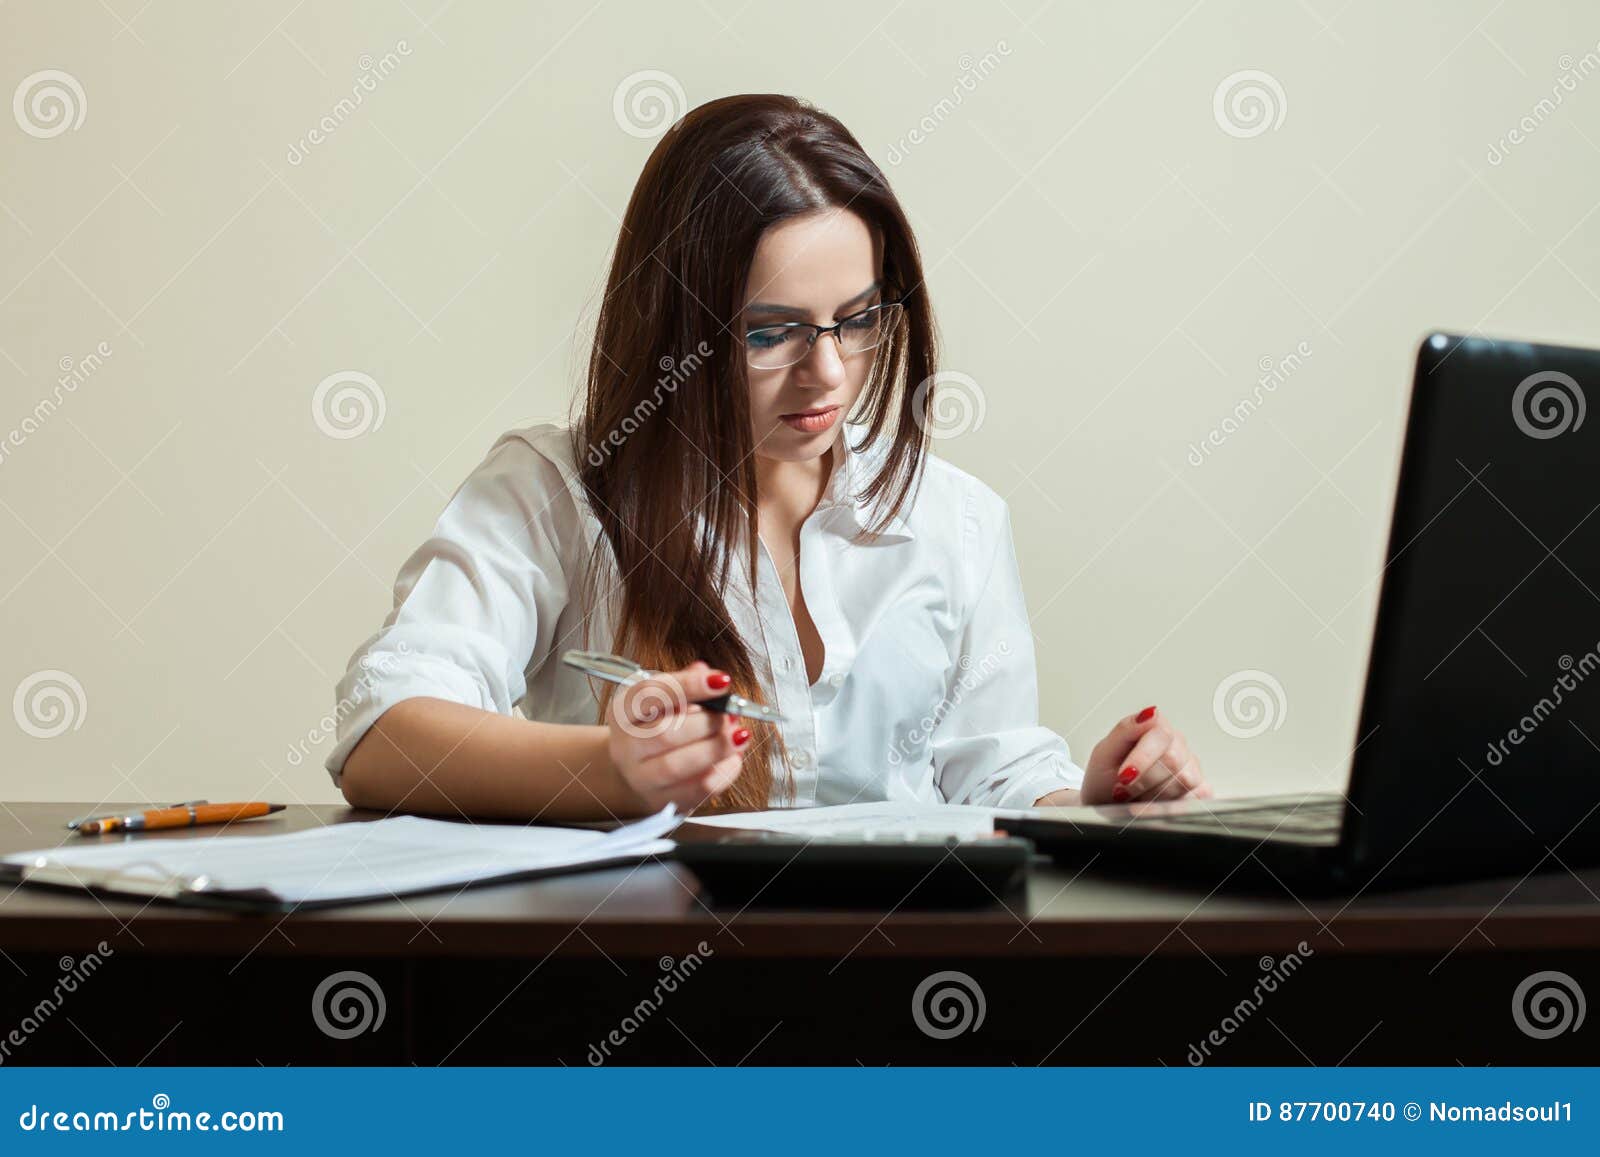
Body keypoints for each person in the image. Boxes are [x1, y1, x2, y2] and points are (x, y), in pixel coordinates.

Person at [327, 94, 1210, 821]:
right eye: (768, 332)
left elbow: (992, 778)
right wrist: (612, 769)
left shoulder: (958, 520)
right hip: (635, 988)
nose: (826, 372)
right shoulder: (556, 494)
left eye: (857, 320)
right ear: (676, 327)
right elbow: (381, 737)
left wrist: (1091, 808)